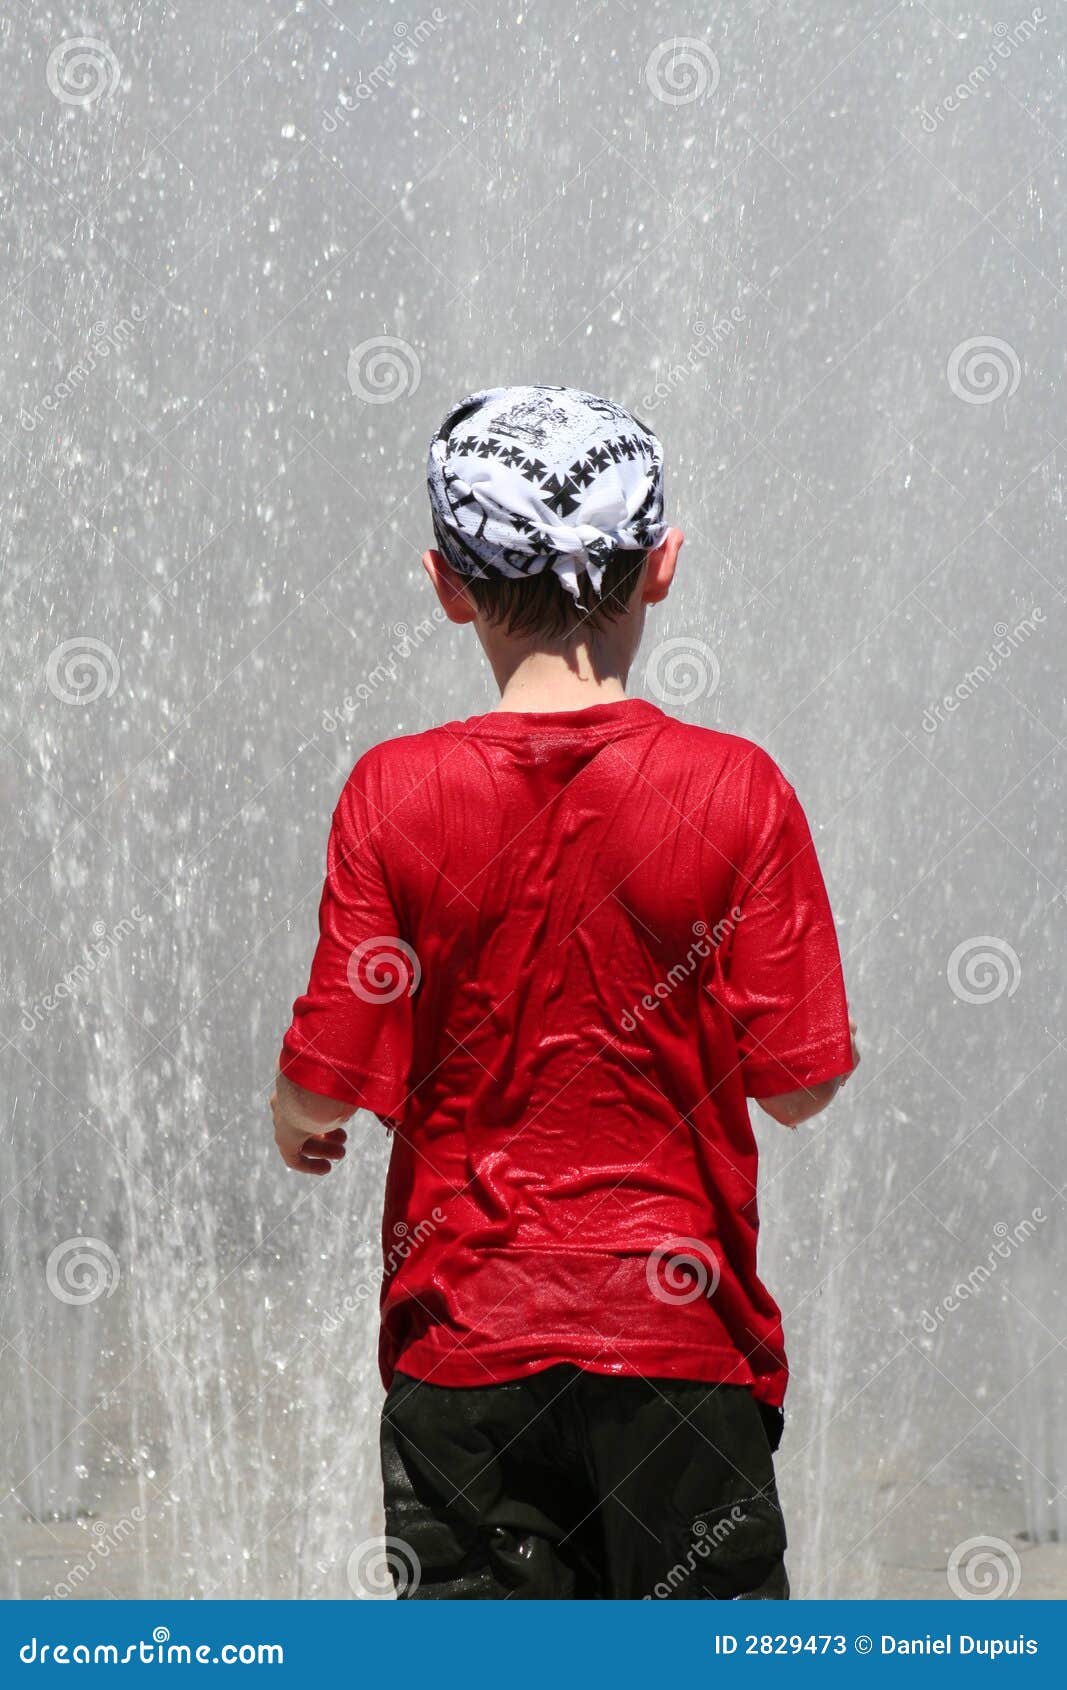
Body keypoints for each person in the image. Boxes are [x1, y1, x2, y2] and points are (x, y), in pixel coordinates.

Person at [272, 385, 859, 1600]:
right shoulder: (736, 789)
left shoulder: (393, 792)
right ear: (663, 568)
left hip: (465, 1353)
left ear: (443, 581)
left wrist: (295, 1123)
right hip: (679, 1350)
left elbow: (325, 1076)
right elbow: (800, 1086)